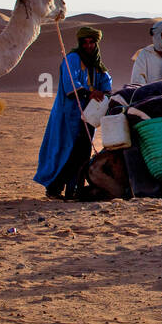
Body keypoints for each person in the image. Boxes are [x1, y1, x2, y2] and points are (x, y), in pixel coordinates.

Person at [34, 25, 113, 200]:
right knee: (67, 151)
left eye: (92, 42)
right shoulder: (72, 59)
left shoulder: (98, 64)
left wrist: (103, 93)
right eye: (84, 42)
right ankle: (54, 188)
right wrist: (90, 92)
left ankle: (74, 190)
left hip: (89, 116)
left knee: (83, 153)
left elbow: (106, 84)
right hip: (68, 115)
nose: (88, 45)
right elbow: (71, 84)